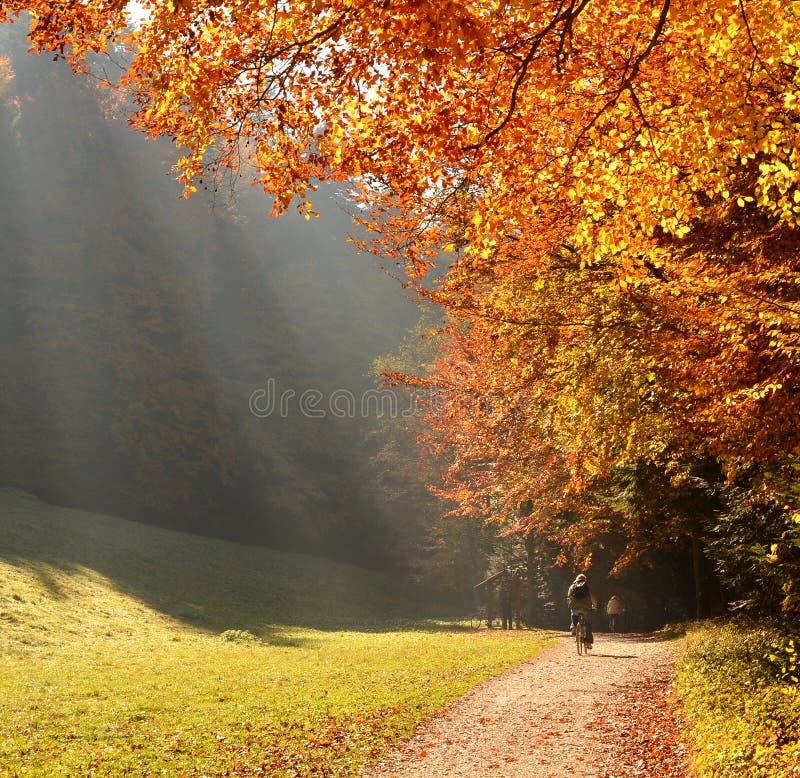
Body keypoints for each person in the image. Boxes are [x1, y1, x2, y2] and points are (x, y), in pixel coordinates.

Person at [567, 573, 597, 649]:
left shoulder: (572, 586)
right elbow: (593, 597)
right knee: (588, 625)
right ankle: (588, 642)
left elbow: (569, 596)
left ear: (576, 579)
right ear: (585, 579)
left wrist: (570, 605)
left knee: (573, 613)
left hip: (575, 608)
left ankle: (574, 626)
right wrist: (594, 606)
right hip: (586, 608)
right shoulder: (587, 586)